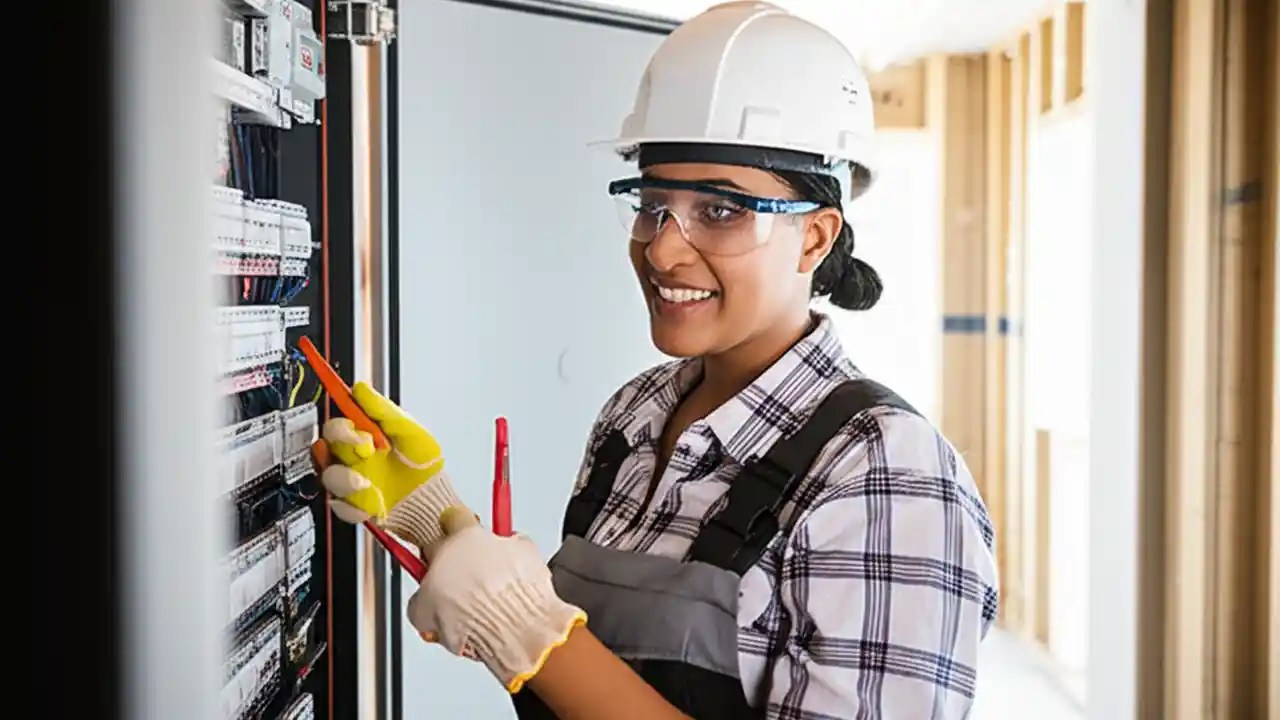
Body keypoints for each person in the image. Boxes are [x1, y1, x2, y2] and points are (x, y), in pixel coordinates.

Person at [315, 2, 999, 718]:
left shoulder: (886, 475)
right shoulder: (634, 414)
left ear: (814, 238)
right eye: (652, 202)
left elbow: (551, 649)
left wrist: (525, 630)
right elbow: (581, 681)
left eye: (722, 210)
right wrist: (438, 525)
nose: (663, 249)